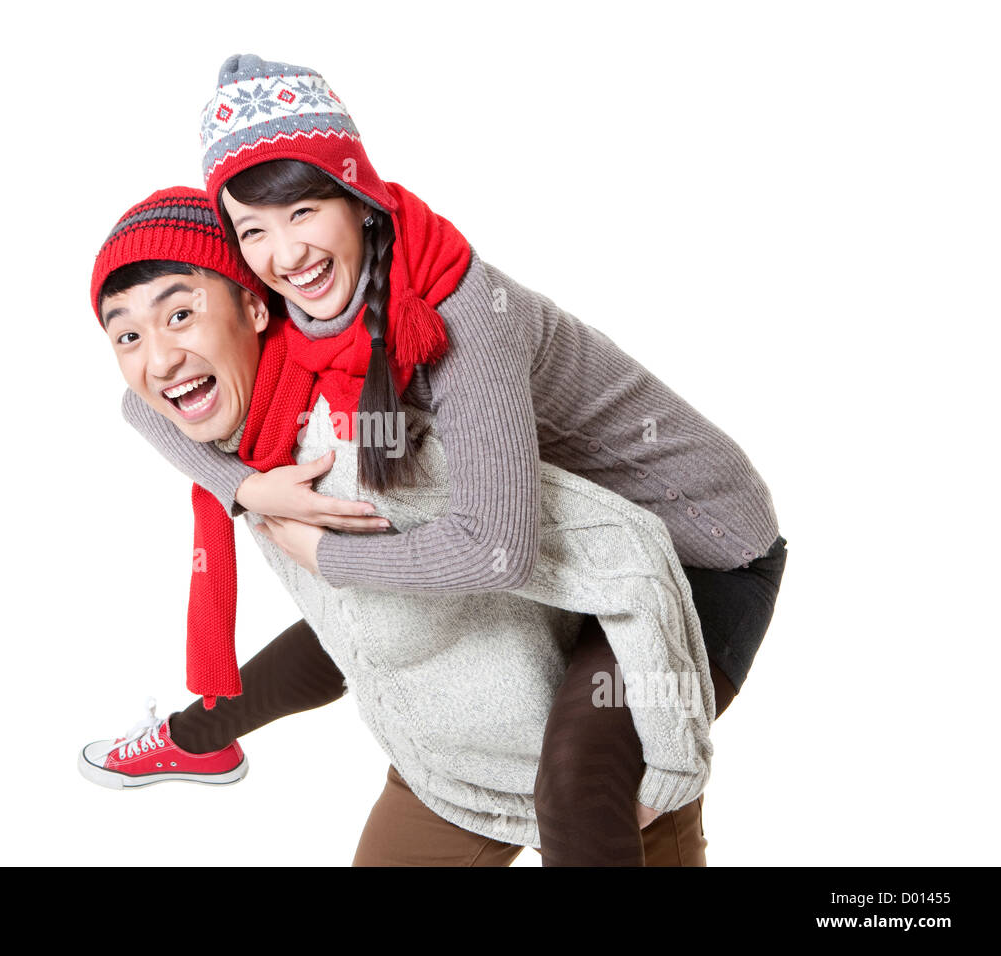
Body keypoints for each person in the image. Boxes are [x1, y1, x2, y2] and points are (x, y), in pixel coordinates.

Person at [109, 53, 790, 865]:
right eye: (253, 229)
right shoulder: (294, 322)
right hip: (567, 546)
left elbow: (500, 549)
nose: (285, 252)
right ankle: (199, 737)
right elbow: (139, 403)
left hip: (695, 544)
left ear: (358, 198)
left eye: (302, 210)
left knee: (578, 783)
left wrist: (322, 551)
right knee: (378, 616)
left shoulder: (462, 315)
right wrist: (248, 486)